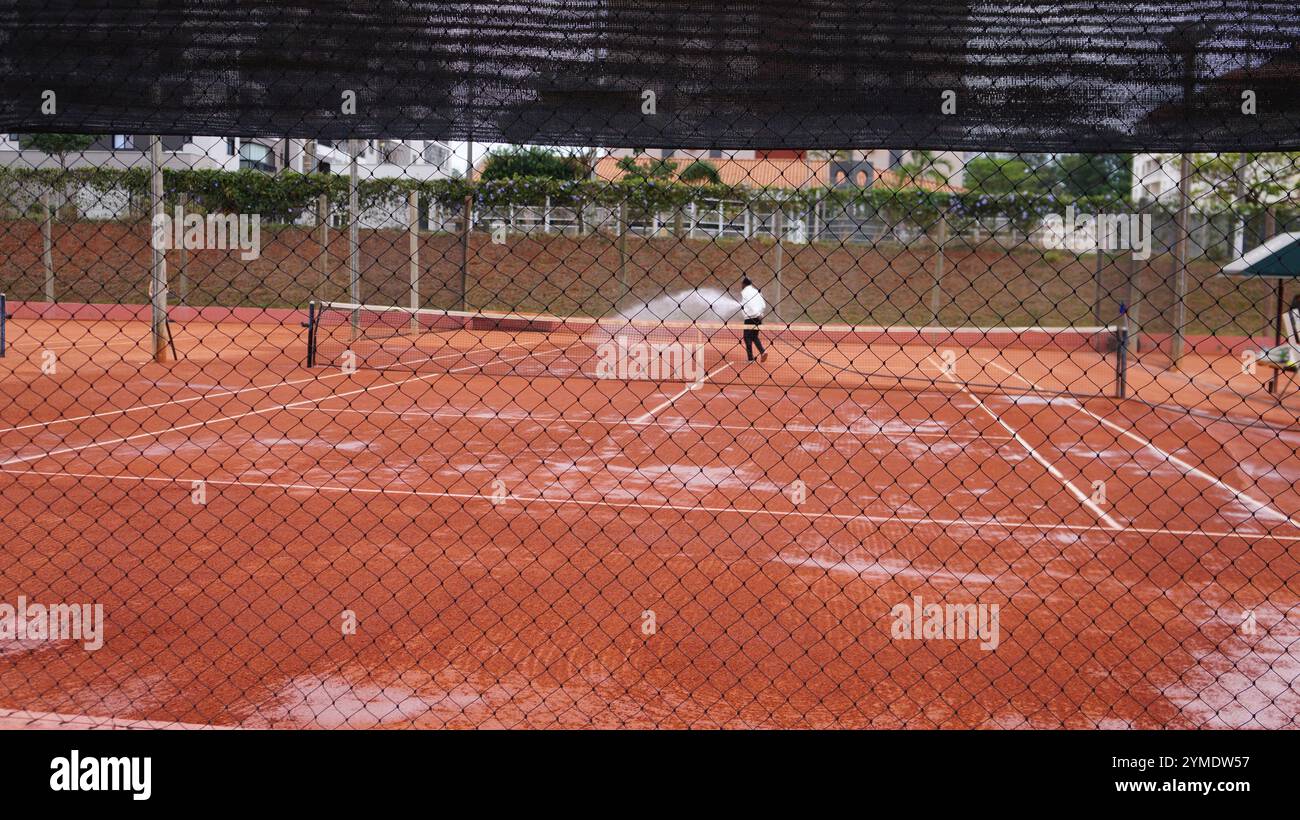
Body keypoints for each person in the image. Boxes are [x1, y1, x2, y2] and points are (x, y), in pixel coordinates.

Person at [740, 277, 767, 363]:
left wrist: (756, 313)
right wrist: (760, 314)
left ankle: (750, 358)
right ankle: (763, 351)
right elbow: (763, 305)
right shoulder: (756, 291)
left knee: (747, 337)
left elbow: (750, 304)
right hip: (758, 317)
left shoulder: (745, 292)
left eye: (742, 284)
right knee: (754, 336)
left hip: (750, 318)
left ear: (744, 284)